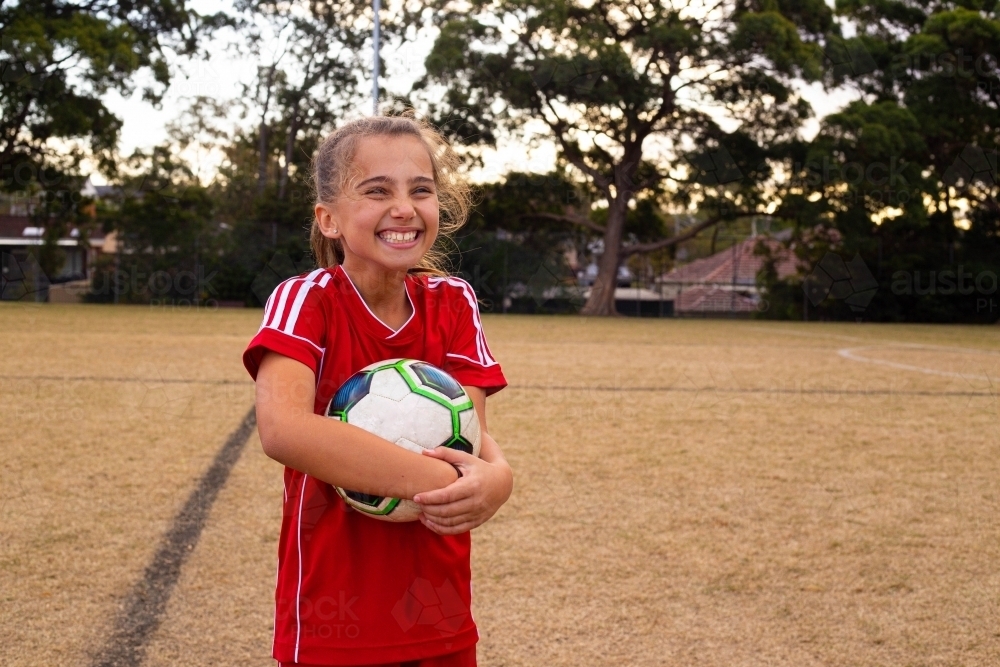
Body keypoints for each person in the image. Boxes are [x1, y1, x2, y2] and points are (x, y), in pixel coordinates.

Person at [243, 115, 513, 667]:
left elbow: (469, 432)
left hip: (437, 613)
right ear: (329, 219)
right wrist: (448, 482)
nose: (404, 208)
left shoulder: (453, 300)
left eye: (421, 190)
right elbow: (283, 430)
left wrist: (499, 478)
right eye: (376, 191)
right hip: (331, 618)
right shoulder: (307, 300)